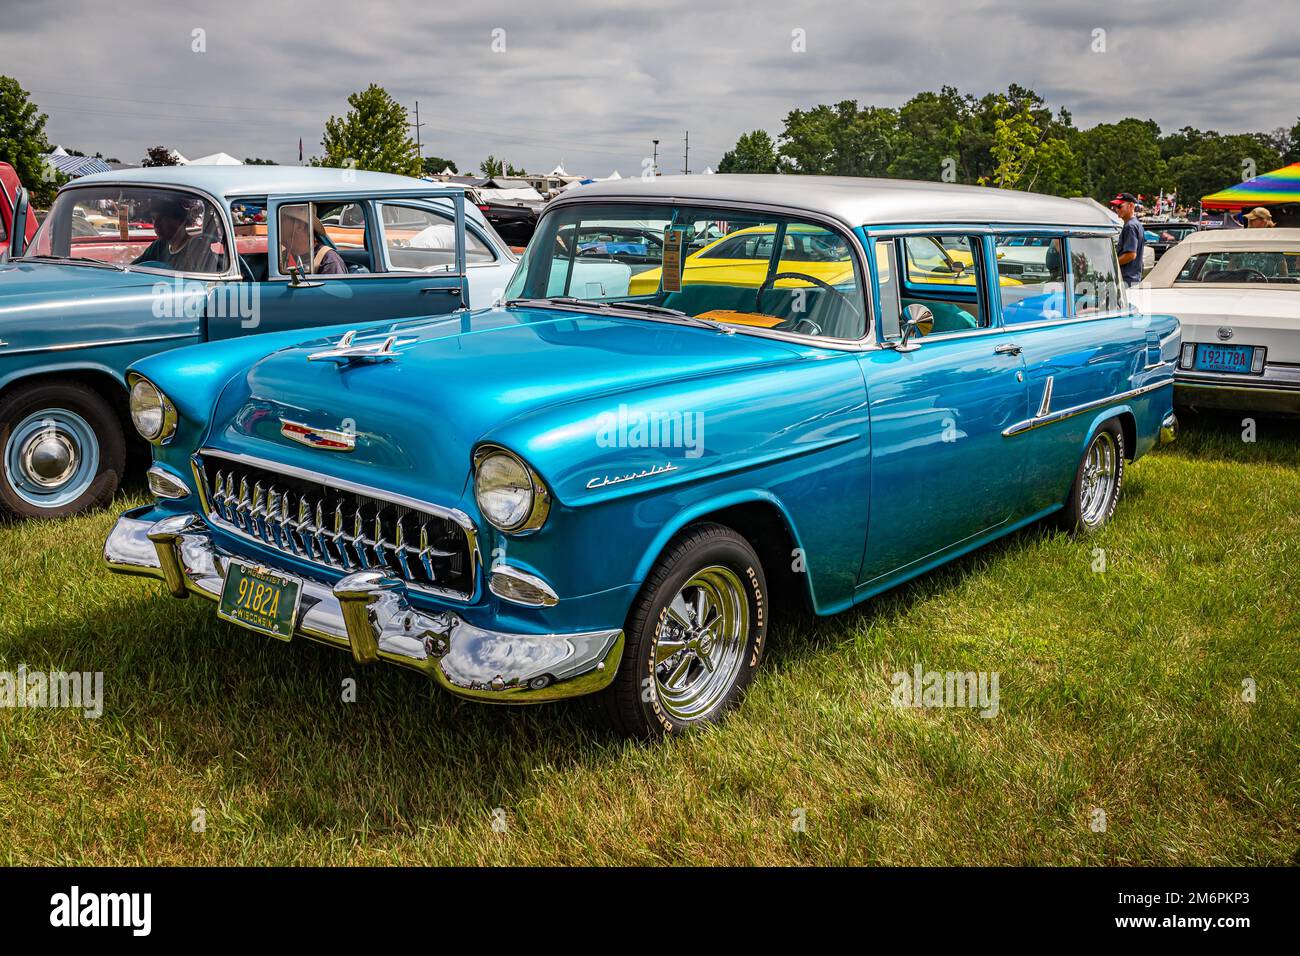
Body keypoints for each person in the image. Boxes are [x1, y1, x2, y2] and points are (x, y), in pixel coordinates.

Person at [132, 196, 219, 272]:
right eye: (154, 218)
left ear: (180, 220)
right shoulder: (158, 246)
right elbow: (133, 267)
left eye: (163, 218)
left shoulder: (196, 248)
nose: (156, 224)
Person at [279, 204, 346, 276]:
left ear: (299, 225)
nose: (278, 224)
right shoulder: (283, 257)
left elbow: (335, 287)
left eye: (282, 220)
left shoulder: (329, 260)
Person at [1110, 192, 1145, 285]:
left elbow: (1131, 255)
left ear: (1131, 206)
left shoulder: (1130, 226)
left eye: (1119, 206)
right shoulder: (1136, 224)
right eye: (1115, 206)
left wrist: (1111, 263)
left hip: (1127, 279)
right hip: (1133, 278)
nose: (1116, 209)